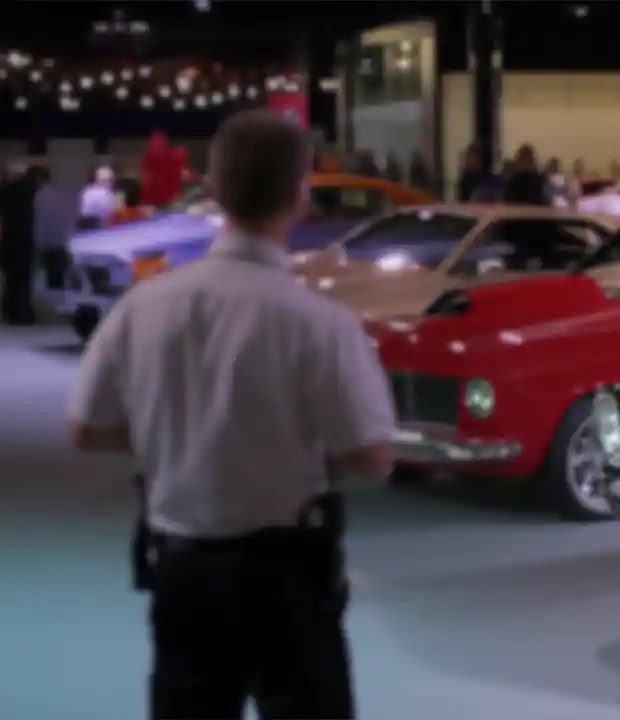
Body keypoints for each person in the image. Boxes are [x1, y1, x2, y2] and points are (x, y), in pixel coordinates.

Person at [67, 110, 396, 719]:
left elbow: (87, 428)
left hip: (182, 571)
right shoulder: (320, 323)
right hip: (287, 578)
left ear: (214, 190)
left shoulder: (144, 307)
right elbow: (371, 456)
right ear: (301, 194)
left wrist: (176, 438)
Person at [0, 162, 41, 325]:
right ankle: (21, 310)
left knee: (12, 277)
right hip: (26, 239)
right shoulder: (33, 192)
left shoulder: (5, 191)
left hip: (10, 239)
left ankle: (11, 309)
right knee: (23, 278)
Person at [34, 165, 73, 292]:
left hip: (47, 246)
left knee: (47, 281)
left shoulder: (39, 196)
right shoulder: (60, 194)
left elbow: (41, 223)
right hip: (61, 245)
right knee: (57, 280)